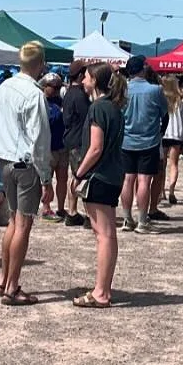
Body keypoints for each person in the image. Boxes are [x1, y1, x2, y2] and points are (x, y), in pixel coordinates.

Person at [0, 41, 52, 305]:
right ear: (40, 64)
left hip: (5, 162)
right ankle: (12, 286)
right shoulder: (34, 95)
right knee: (23, 224)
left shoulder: (2, 89)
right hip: (26, 165)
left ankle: (3, 280)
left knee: (13, 222)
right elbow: (40, 140)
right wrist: (46, 178)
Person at [70, 63, 125, 306]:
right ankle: (103, 288)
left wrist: (79, 174)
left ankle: (101, 292)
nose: (83, 81)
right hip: (113, 175)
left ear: (95, 81)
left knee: (104, 235)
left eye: (87, 77)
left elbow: (95, 147)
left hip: (99, 176)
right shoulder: (114, 107)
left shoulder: (98, 108)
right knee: (107, 234)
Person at [119, 57, 166, 234]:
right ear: (142, 69)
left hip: (126, 140)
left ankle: (126, 218)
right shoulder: (155, 90)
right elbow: (164, 114)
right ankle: (143, 221)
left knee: (127, 179)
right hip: (149, 140)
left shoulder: (123, 90)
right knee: (144, 180)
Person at [60, 68, 91, 226]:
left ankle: (72, 211)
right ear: (79, 75)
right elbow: (88, 117)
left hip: (70, 139)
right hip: (79, 140)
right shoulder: (80, 95)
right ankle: (86, 215)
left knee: (75, 176)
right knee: (83, 177)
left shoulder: (68, 93)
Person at [40, 75, 68, 220]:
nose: (57, 90)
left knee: (63, 178)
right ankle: (46, 207)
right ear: (45, 86)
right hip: (48, 147)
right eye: (54, 87)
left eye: (59, 87)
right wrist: (60, 113)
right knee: (47, 179)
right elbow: (46, 121)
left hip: (62, 145)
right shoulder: (41, 102)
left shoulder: (61, 101)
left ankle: (61, 208)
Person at [161, 78, 183, 206]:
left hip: (164, 134)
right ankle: (171, 190)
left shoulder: (161, 100)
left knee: (162, 165)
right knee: (174, 164)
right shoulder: (180, 103)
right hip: (176, 135)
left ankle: (161, 191)